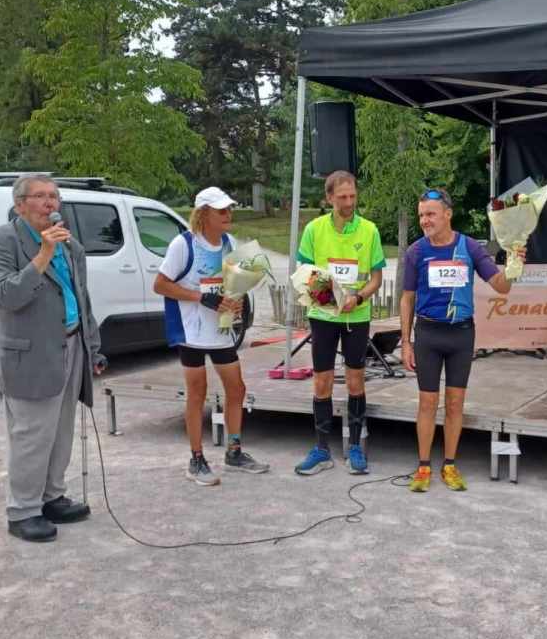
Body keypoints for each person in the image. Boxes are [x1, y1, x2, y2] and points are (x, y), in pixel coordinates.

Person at [0, 174, 107, 543]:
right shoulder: (3, 240)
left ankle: (51, 496)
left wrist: (94, 347)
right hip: (30, 354)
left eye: (54, 196)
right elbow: (3, 296)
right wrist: (42, 255)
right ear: (20, 204)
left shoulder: (71, 245)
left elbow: (81, 299)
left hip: (71, 346)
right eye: (40, 196)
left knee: (61, 431)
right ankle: (22, 510)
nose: (50, 203)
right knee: (31, 435)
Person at [399, 187, 523, 493]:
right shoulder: (417, 251)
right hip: (428, 333)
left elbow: (500, 286)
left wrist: (514, 267)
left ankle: (450, 465)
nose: (425, 220)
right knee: (428, 402)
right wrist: (405, 341)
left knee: (455, 403)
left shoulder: (468, 247)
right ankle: (424, 466)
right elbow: (407, 298)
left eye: (430, 214)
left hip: (461, 334)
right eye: (421, 215)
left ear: (447, 214)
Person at [153, 186, 269, 485]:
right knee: (197, 393)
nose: (228, 214)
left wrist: (238, 300)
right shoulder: (184, 245)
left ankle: (234, 450)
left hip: (221, 330)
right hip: (190, 330)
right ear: (204, 214)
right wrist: (200, 298)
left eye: (229, 209)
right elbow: (161, 285)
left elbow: (233, 286)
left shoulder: (230, 243)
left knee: (237, 388)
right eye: (221, 211)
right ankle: (196, 458)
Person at [294, 170, 385, 476]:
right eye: (342, 197)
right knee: (322, 380)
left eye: (353, 196)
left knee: (356, 379)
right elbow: (304, 272)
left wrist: (357, 298)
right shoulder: (314, 229)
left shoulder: (369, 230)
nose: (349, 202)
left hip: (357, 316)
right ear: (329, 198)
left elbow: (376, 278)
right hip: (323, 316)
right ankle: (321, 448)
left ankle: (355, 447)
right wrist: (328, 299)